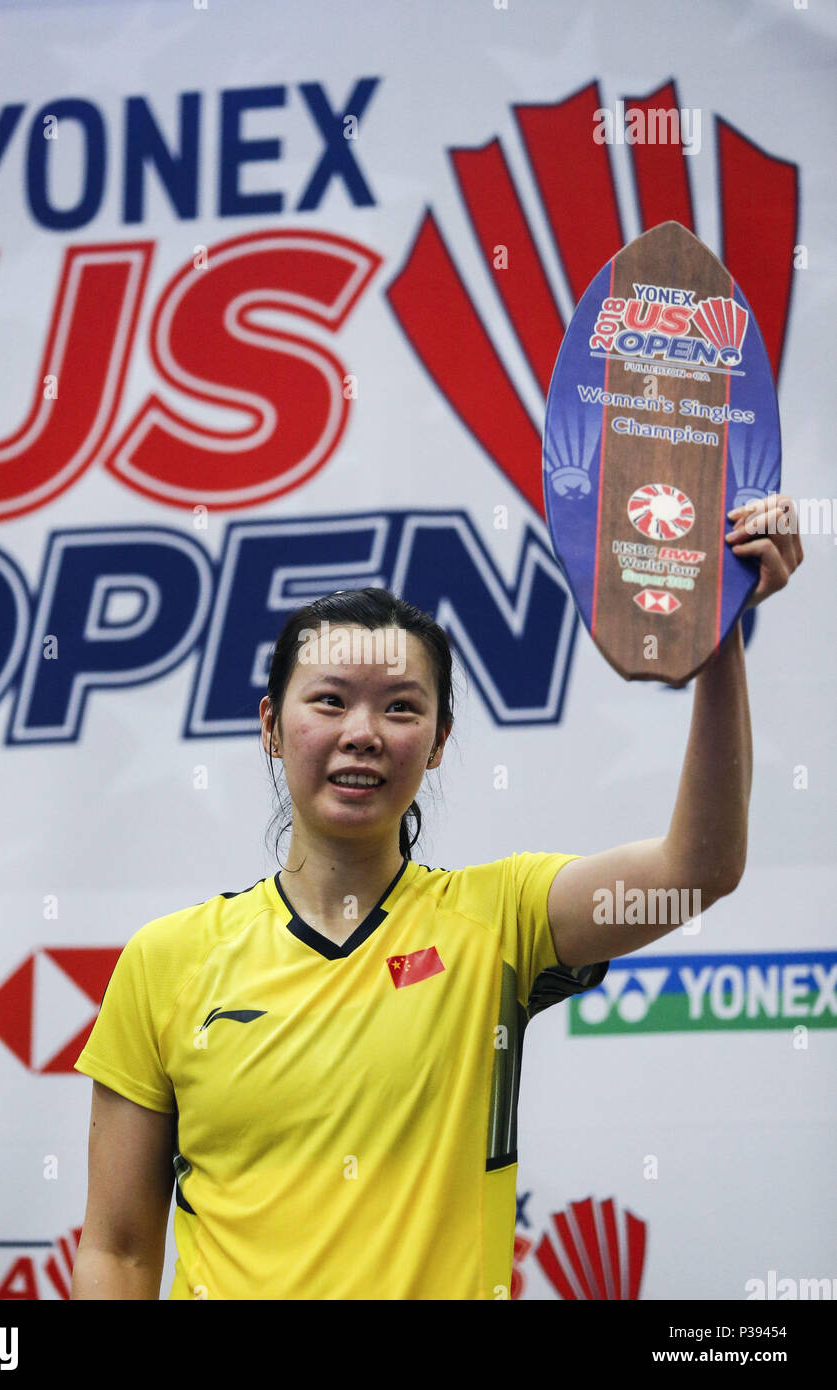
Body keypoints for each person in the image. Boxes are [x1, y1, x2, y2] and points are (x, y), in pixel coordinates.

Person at [70, 494, 802, 1301]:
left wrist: (719, 629)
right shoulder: (166, 959)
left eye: (401, 707)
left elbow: (695, 872)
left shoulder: (503, 920)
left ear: (440, 742)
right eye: (329, 699)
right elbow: (118, 1251)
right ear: (271, 727)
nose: (364, 732)